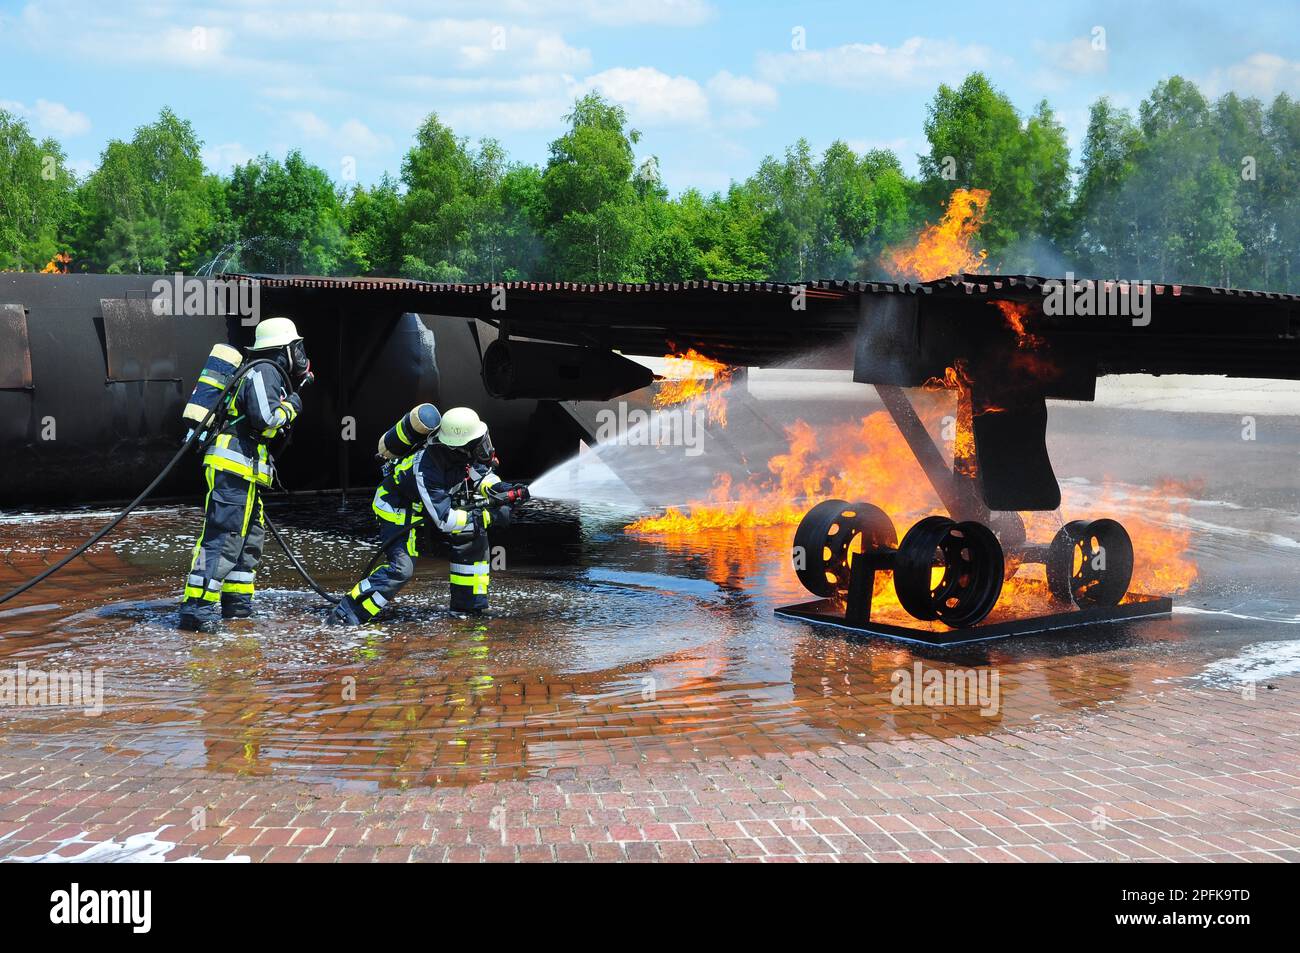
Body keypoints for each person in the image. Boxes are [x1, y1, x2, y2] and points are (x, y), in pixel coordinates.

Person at [327, 407, 529, 625]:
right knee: (401, 569)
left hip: (428, 505)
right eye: (478, 442)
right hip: (397, 509)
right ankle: (347, 614)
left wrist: (507, 491)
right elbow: (445, 521)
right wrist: (488, 517)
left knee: (472, 538)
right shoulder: (426, 467)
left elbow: (483, 479)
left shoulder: (464, 453)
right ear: (460, 447)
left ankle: (468, 609)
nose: (484, 446)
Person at [178, 317, 311, 630]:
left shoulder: (262, 372)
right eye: (296, 347)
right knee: (223, 537)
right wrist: (292, 405)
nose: (300, 354)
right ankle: (197, 610)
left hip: (244, 472)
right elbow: (264, 418)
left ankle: (236, 606)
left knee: (249, 540)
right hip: (233, 469)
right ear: (284, 349)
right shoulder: (264, 369)